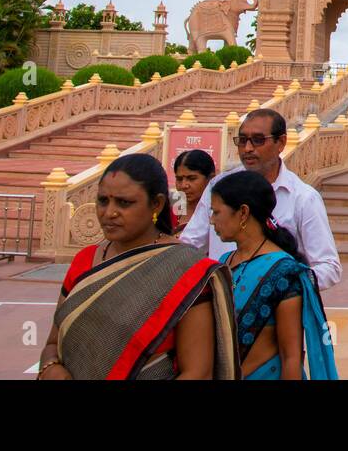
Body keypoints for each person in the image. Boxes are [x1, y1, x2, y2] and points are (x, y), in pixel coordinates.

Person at [39, 154, 238, 380]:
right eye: (103, 201)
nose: (109, 212)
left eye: (124, 203)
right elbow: (53, 344)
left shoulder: (186, 270)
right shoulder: (86, 260)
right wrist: (51, 367)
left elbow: (198, 372)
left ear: (157, 204)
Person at [181, 107, 342, 289]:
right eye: (242, 141)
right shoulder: (218, 187)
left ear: (281, 142)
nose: (248, 148)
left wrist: (283, 285)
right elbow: (189, 245)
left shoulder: (303, 198)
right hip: (220, 304)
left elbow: (329, 268)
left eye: (258, 140)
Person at [210, 170, 339, 379]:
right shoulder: (223, 263)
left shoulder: (284, 272)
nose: (211, 220)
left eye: (216, 212)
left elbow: (291, 357)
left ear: (243, 213)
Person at [173, 149, 216, 234]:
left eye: (191, 178)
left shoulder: (218, 213)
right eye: (179, 179)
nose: (183, 185)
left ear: (211, 178)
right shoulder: (175, 208)